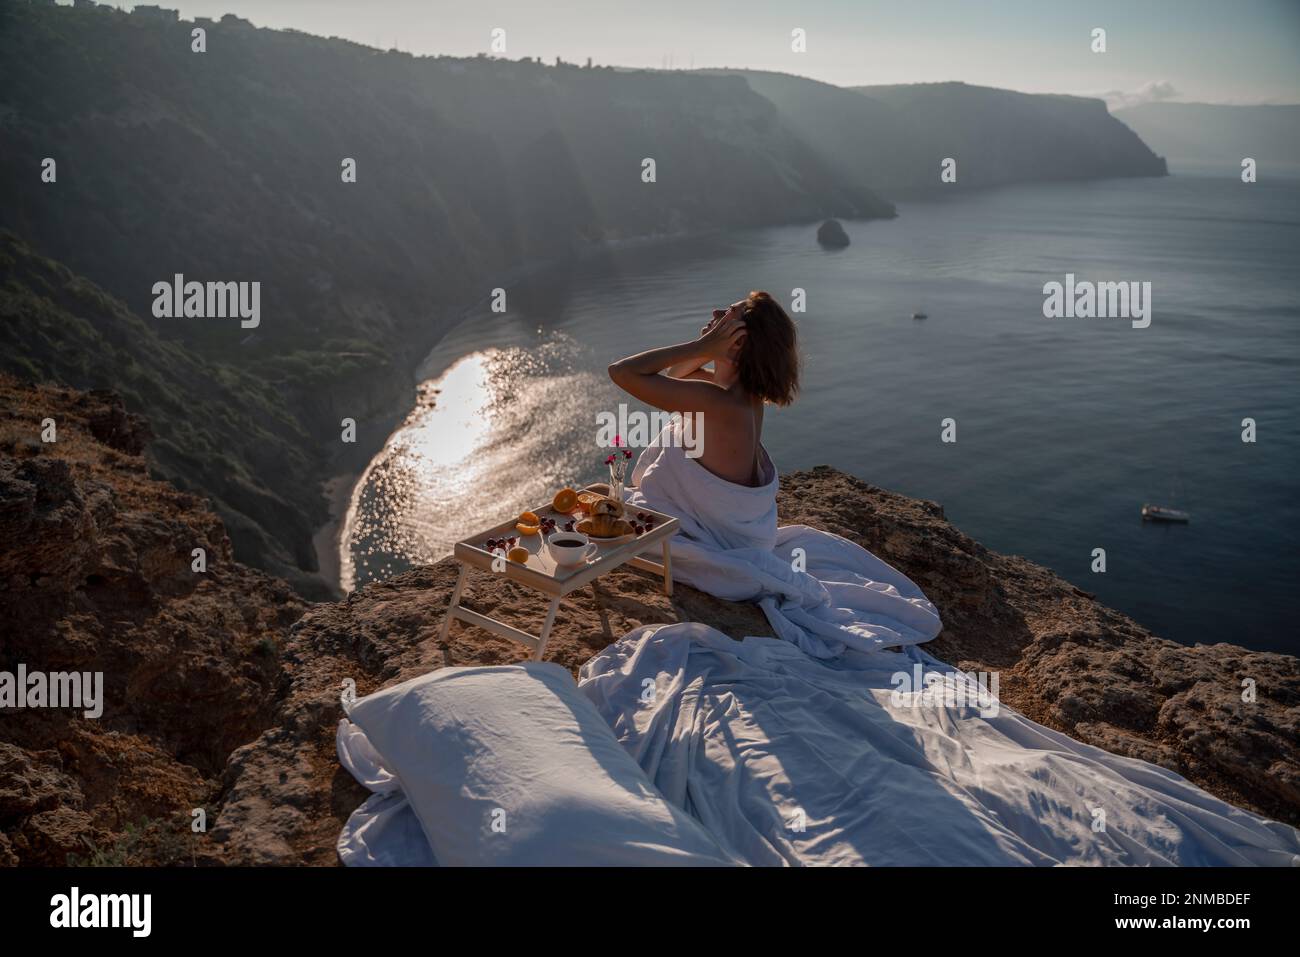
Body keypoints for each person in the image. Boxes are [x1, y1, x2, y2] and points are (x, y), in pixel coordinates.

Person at [606, 290, 800, 487]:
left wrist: (701, 347)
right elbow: (676, 374)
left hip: (706, 517)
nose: (716, 312)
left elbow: (621, 372)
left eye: (728, 312)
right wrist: (712, 347)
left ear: (738, 340)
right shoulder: (741, 393)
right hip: (726, 511)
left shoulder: (720, 401)